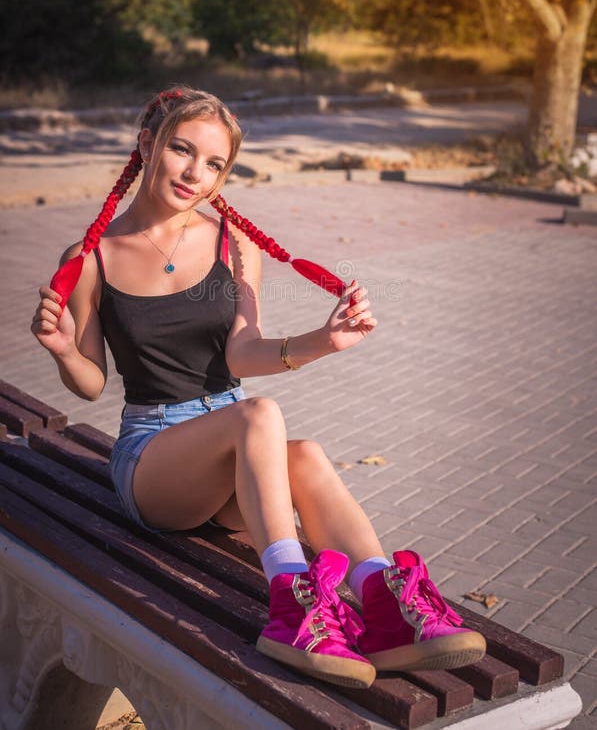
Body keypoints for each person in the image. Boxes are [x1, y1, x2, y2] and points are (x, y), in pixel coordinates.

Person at [31, 86, 486, 689]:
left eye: (215, 164)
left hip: (232, 448)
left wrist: (325, 340)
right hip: (154, 460)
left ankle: (382, 606)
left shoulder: (234, 243)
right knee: (259, 417)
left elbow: (242, 352)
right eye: (182, 151)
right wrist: (65, 350)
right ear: (148, 145)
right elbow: (91, 384)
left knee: (305, 456)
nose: (197, 174)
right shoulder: (93, 257)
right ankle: (292, 607)